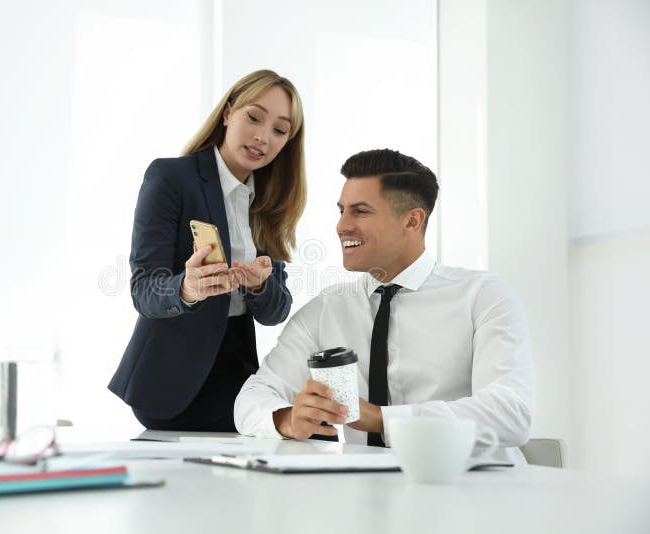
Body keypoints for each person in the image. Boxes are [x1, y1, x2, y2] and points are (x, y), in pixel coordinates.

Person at [234, 149, 535, 462]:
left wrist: (383, 419)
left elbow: (512, 412)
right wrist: (287, 419)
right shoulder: (327, 309)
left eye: (360, 211)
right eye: (341, 211)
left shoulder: (484, 296)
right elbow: (250, 400)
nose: (342, 226)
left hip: (479, 492)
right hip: (368, 496)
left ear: (411, 220)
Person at [108, 70, 306, 432]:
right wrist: (186, 289)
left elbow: (277, 311)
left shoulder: (270, 200)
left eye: (280, 130)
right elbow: (144, 290)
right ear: (228, 113)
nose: (263, 137)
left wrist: (260, 286)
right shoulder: (171, 179)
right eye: (254, 117)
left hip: (240, 379)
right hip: (171, 381)